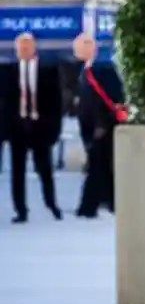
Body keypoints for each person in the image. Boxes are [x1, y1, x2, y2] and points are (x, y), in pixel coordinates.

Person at [4, 33, 63, 223]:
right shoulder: (7, 71)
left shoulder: (48, 70)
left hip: (40, 126)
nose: (23, 51)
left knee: (45, 169)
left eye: (26, 47)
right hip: (17, 127)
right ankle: (21, 210)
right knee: (17, 171)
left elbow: (56, 103)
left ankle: (52, 204)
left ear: (34, 48)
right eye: (20, 48)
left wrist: (53, 128)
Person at [72, 34, 124, 218]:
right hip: (91, 127)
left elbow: (115, 97)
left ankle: (88, 207)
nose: (78, 50)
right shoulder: (84, 70)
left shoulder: (103, 69)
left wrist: (102, 122)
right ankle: (111, 202)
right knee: (102, 166)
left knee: (97, 166)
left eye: (83, 45)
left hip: (103, 126)